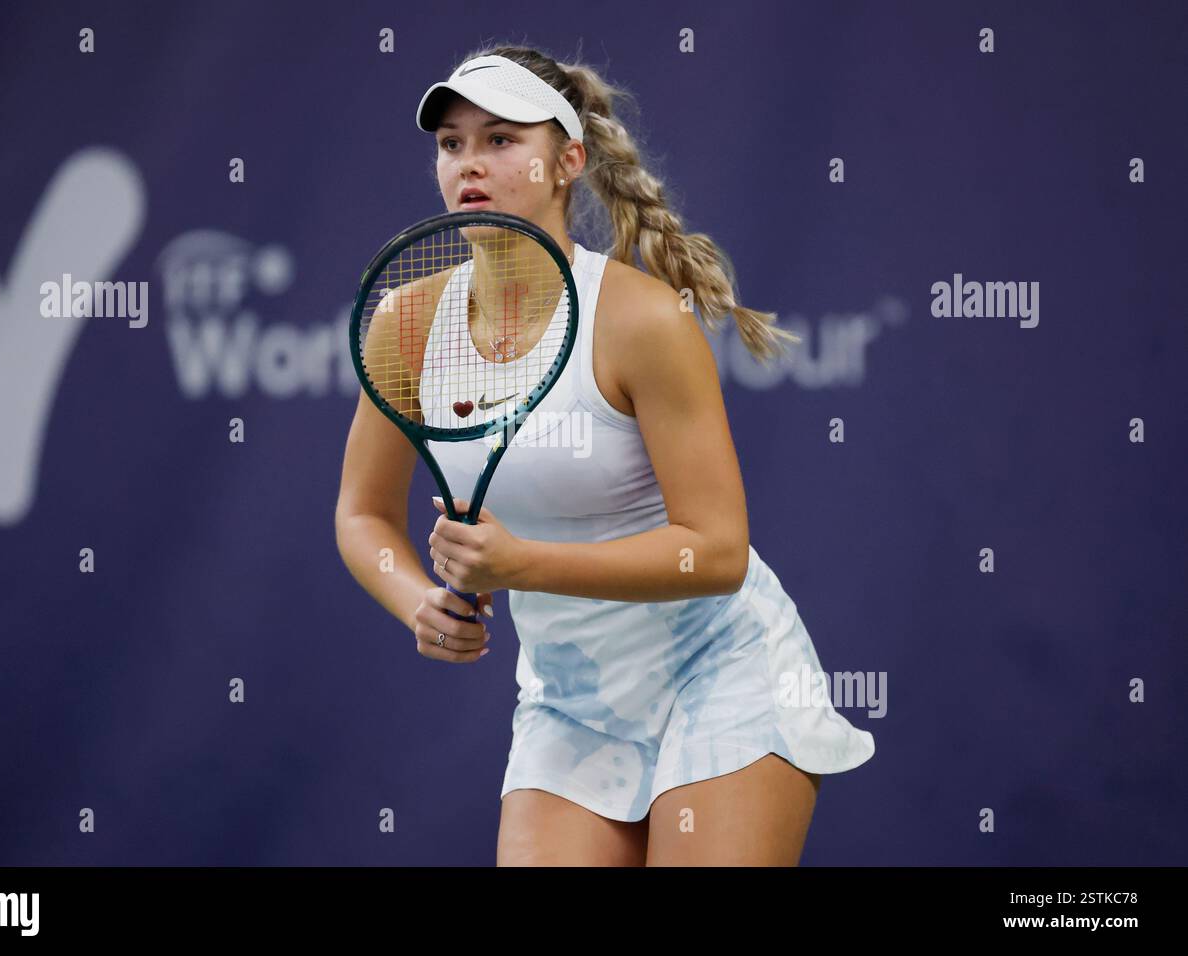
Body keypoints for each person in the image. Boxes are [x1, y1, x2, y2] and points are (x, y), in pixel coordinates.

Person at [335, 44, 875, 866]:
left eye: (501, 140)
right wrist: (417, 601)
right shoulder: (407, 324)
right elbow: (363, 513)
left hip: (723, 673)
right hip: (570, 700)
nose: (469, 165)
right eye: (452, 144)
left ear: (568, 162)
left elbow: (718, 552)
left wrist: (521, 563)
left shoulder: (642, 322)